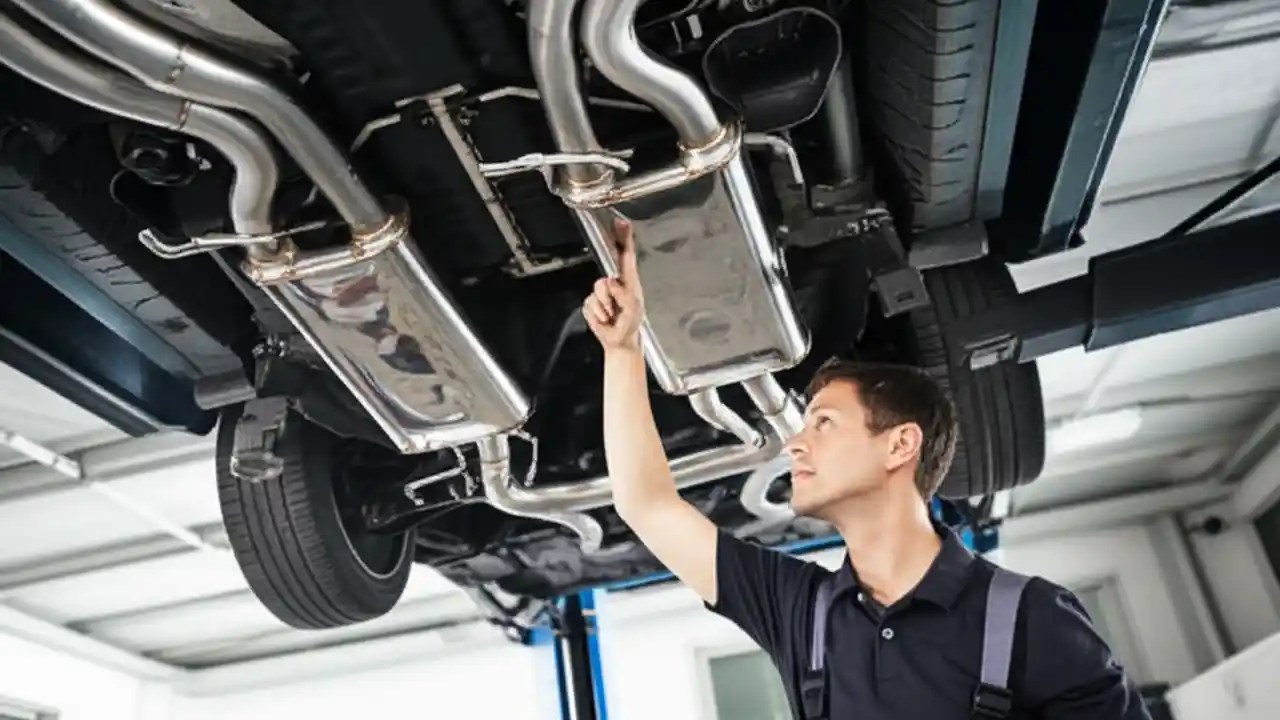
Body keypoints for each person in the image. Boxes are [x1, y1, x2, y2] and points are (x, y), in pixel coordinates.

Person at [581, 218, 1152, 719]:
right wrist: (624, 351)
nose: (795, 447)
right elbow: (647, 505)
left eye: (823, 423)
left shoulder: (1030, 619)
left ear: (900, 444)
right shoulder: (801, 611)